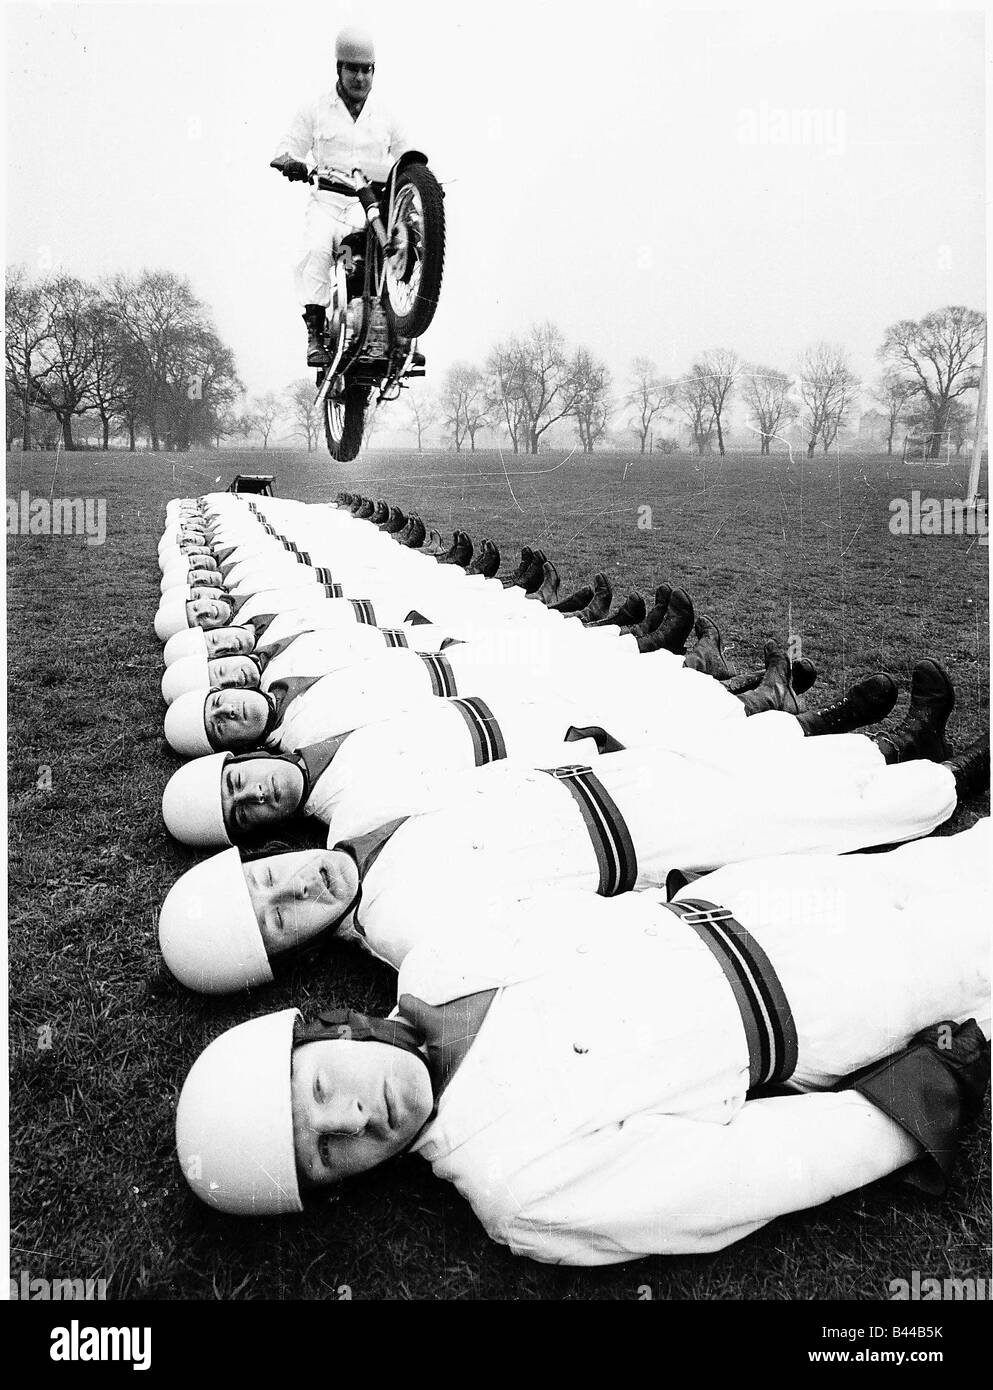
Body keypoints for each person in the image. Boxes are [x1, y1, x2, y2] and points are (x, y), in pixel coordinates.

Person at [173, 821, 991, 1262]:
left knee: (963, 854)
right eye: (324, 1153)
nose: (355, 1120)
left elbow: (598, 902)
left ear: (323, 1027)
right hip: (835, 1001)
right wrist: (927, 1090)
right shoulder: (521, 1189)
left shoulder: (439, 951)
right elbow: (755, 1173)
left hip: (765, 892)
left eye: (320, 1092)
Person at [157, 670, 990, 991]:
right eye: (281, 919)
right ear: (290, 958)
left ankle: (875, 738)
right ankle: (941, 780)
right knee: (805, 815)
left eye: (268, 881)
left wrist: (568, 755)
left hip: (599, 777)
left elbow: (476, 782)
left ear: (265, 857)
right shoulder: (406, 938)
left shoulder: (355, 813)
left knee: (761, 764)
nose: (299, 889)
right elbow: (568, 934)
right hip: (637, 847)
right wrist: (664, 889)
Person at [269, 27, 409, 366]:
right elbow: (285, 148)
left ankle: (397, 337)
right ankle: (315, 334)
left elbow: (407, 157)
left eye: (367, 70)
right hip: (327, 203)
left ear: (374, 72)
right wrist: (291, 163)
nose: (360, 77)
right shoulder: (315, 109)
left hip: (367, 206)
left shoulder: (385, 115)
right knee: (316, 250)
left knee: (383, 254)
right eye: (353, 69)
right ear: (339, 70)